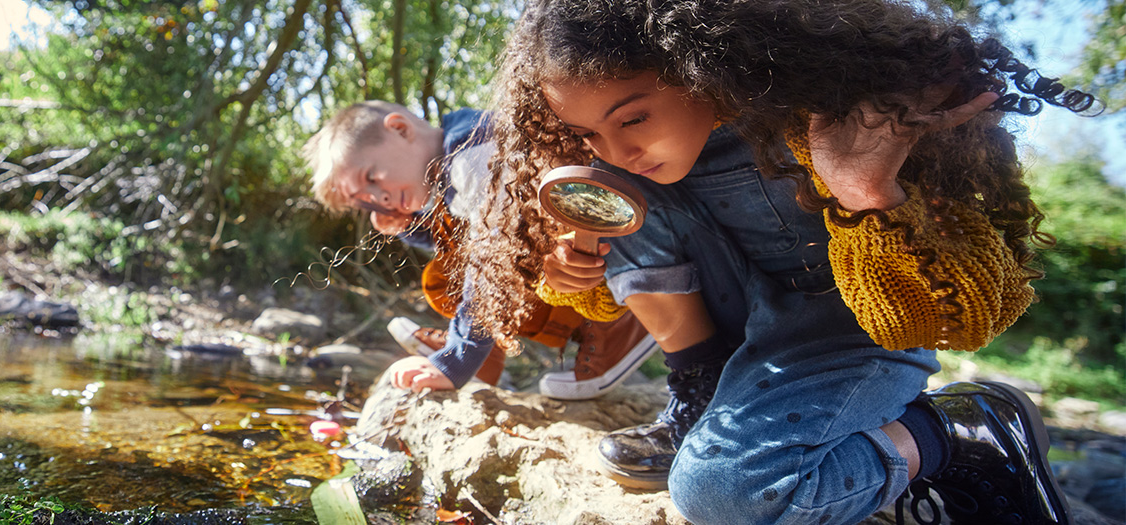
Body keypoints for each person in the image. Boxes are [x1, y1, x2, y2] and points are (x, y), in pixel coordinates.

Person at [459, 0, 1097, 523]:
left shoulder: (852, 115)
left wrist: (867, 193)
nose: (617, 148)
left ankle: (956, 431)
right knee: (606, 189)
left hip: (855, 331)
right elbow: (617, 296)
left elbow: (961, 317)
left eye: (633, 117)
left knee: (722, 496)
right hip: (746, 328)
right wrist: (576, 273)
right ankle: (701, 393)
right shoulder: (629, 168)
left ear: (696, 62)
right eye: (590, 133)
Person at [300, 100, 656, 399]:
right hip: (572, 272)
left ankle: (622, 326)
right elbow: (455, 245)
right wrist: (409, 225)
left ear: (400, 129)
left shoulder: (471, 156)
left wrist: (457, 360)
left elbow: (489, 266)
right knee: (445, 276)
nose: (380, 199)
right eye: (365, 201)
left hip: (613, 262)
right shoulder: (450, 164)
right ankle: (487, 362)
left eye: (373, 178)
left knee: (473, 272)